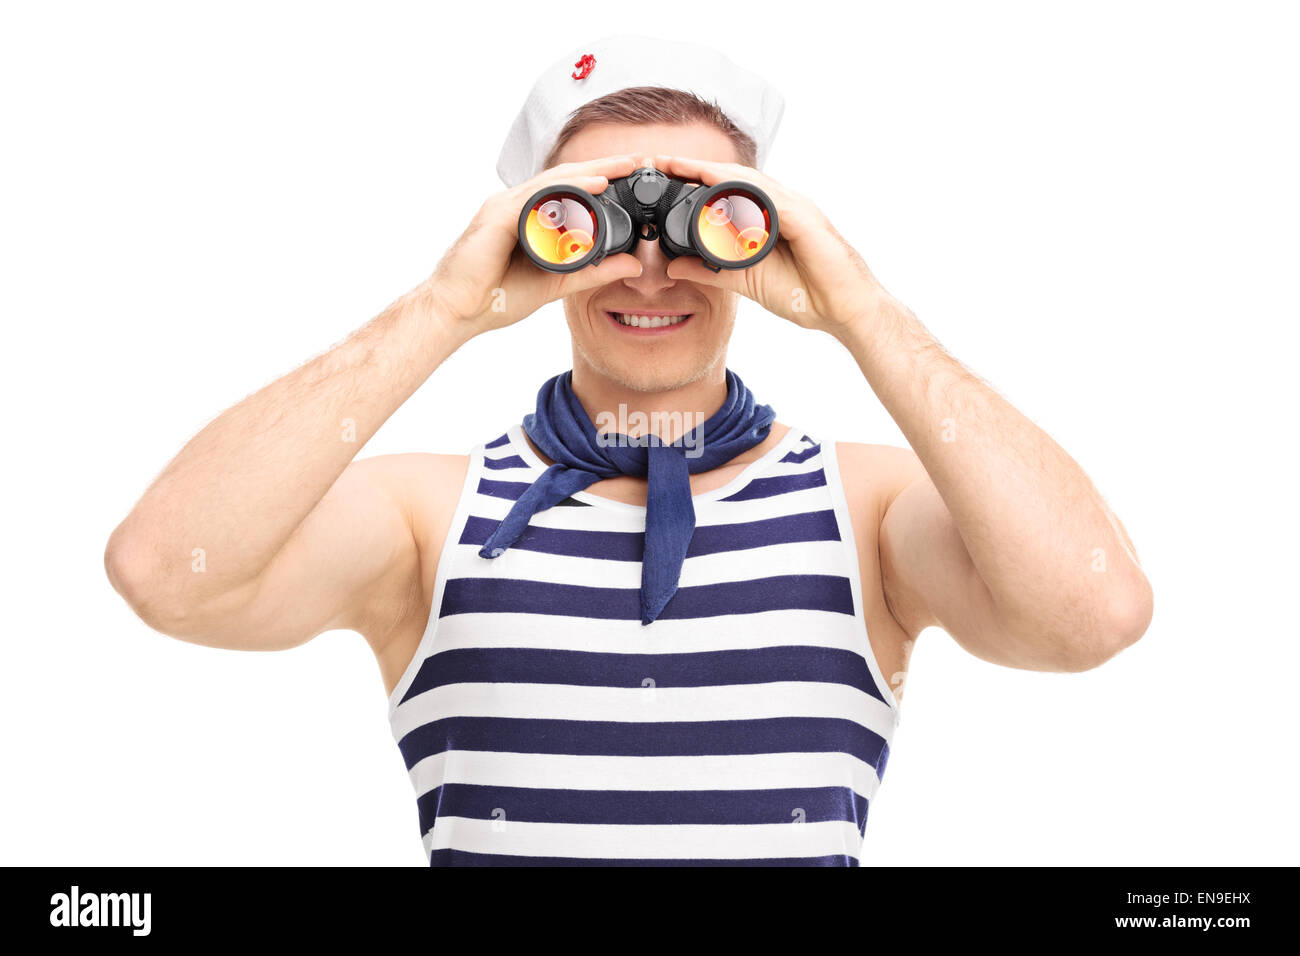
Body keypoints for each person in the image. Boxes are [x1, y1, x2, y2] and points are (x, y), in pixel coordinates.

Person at [105, 36, 1152, 866]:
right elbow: (165, 572)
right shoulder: (432, 517)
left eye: (701, 219)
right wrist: (441, 308)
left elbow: (1092, 611)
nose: (649, 270)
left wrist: (861, 308)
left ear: (766, 229)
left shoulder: (863, 507)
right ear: (528, 231)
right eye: (588, 221)